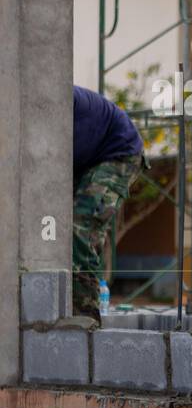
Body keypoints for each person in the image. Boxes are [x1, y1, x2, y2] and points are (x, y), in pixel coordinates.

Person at [72, 86, 144, 321]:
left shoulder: (55, 104)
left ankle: (85, 316)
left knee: (81, 225)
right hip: (89, 157)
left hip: (118, 153)